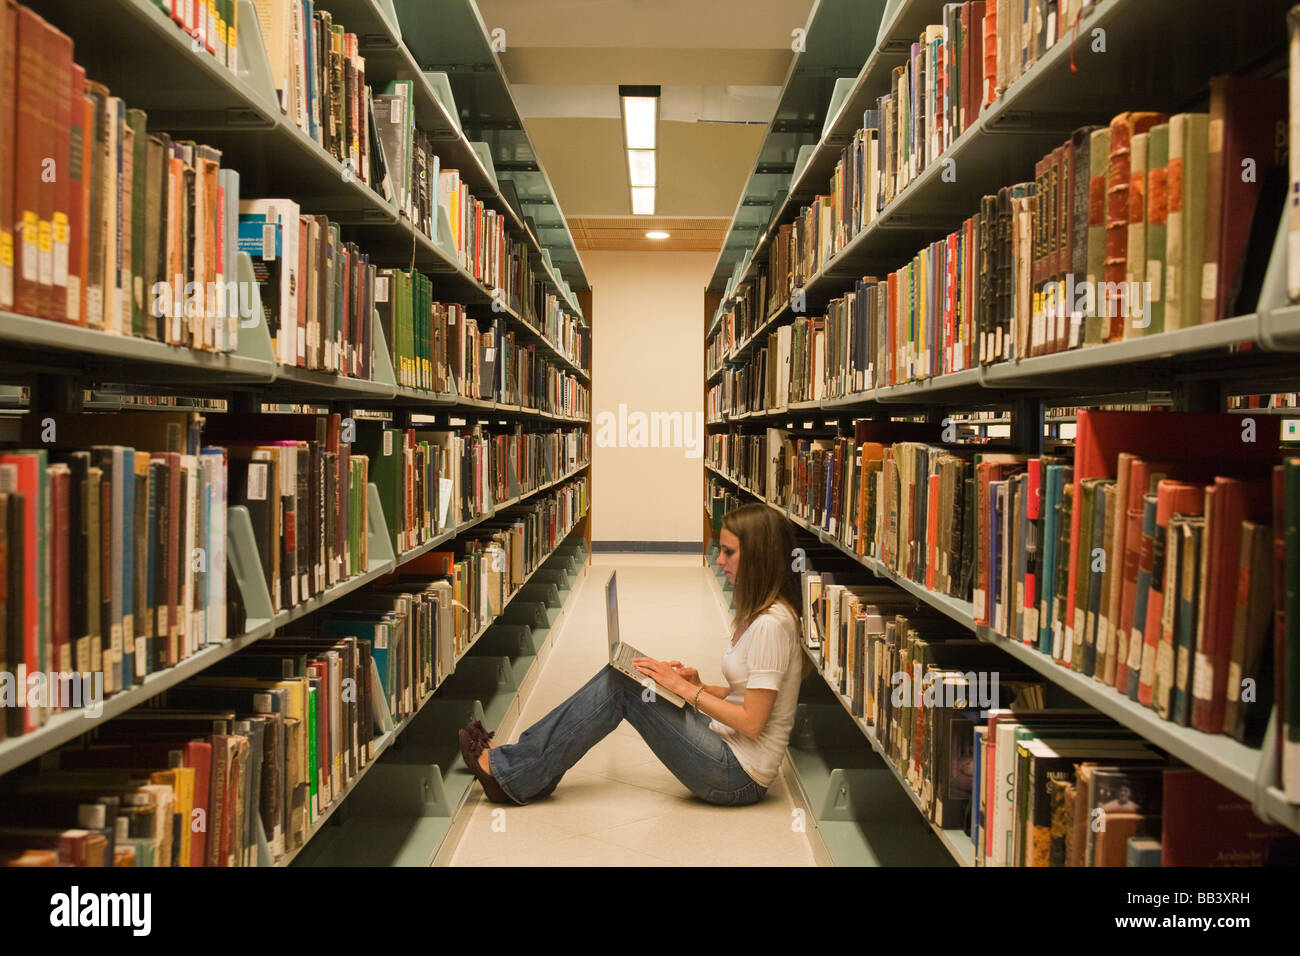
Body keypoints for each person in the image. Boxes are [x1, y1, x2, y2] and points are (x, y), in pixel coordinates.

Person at [458, 502, 804, 807]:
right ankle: (530, 771)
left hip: (737, 776)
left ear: (758, 557)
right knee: (628, 677)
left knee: (621, 686)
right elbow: (751, 696)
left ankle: (513, 773)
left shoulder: (771, 626)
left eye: (729, 552)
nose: (719, 559)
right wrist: (700, 685)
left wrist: (686, 691)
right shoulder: (757, 613)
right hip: (726, 743)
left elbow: (753, 722)